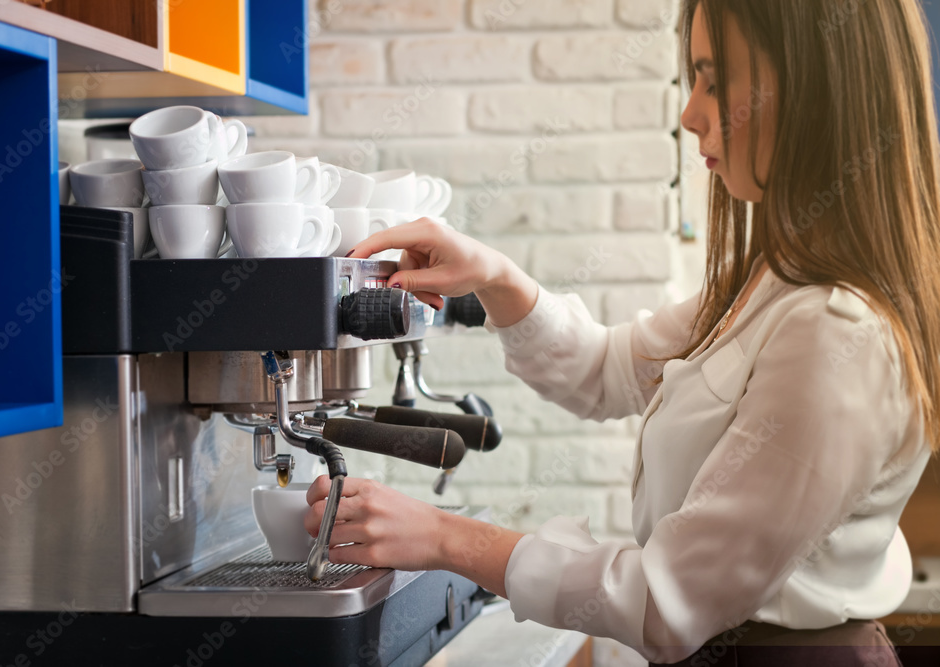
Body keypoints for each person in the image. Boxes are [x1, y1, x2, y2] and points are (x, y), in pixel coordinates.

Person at [305, 0, 940, 664]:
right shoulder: (772, 282)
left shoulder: (840, 335)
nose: (691, 112)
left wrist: (442, 537)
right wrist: (492, 273)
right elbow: (607, 368)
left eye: (714, 79)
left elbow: (666, 599)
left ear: (817, 89)